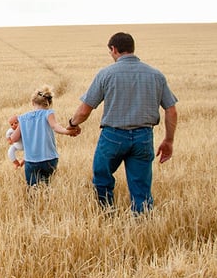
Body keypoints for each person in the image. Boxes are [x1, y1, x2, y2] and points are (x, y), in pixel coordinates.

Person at [64, 32, 178, 214]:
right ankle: (143, 222)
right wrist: (169, 140)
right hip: (144, 136)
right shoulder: (156, 75)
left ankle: (107, 215)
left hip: (113, 136)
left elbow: (85, 110)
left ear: (114, 49)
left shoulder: (106, 74)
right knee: (141, 187)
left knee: (102, 178)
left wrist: (72, 123)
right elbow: (171, 110)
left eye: (110, 52)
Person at [7, 85, 74, 187]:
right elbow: (55, 126)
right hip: (49, 159)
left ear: (32, 102)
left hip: (31, 161)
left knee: (33, 189)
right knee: (48, 187)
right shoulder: (48, 113)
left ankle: (35, 197)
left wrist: (9, 136)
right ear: (48, 103)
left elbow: (14, 139)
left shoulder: (22, 118)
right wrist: (67, 131)